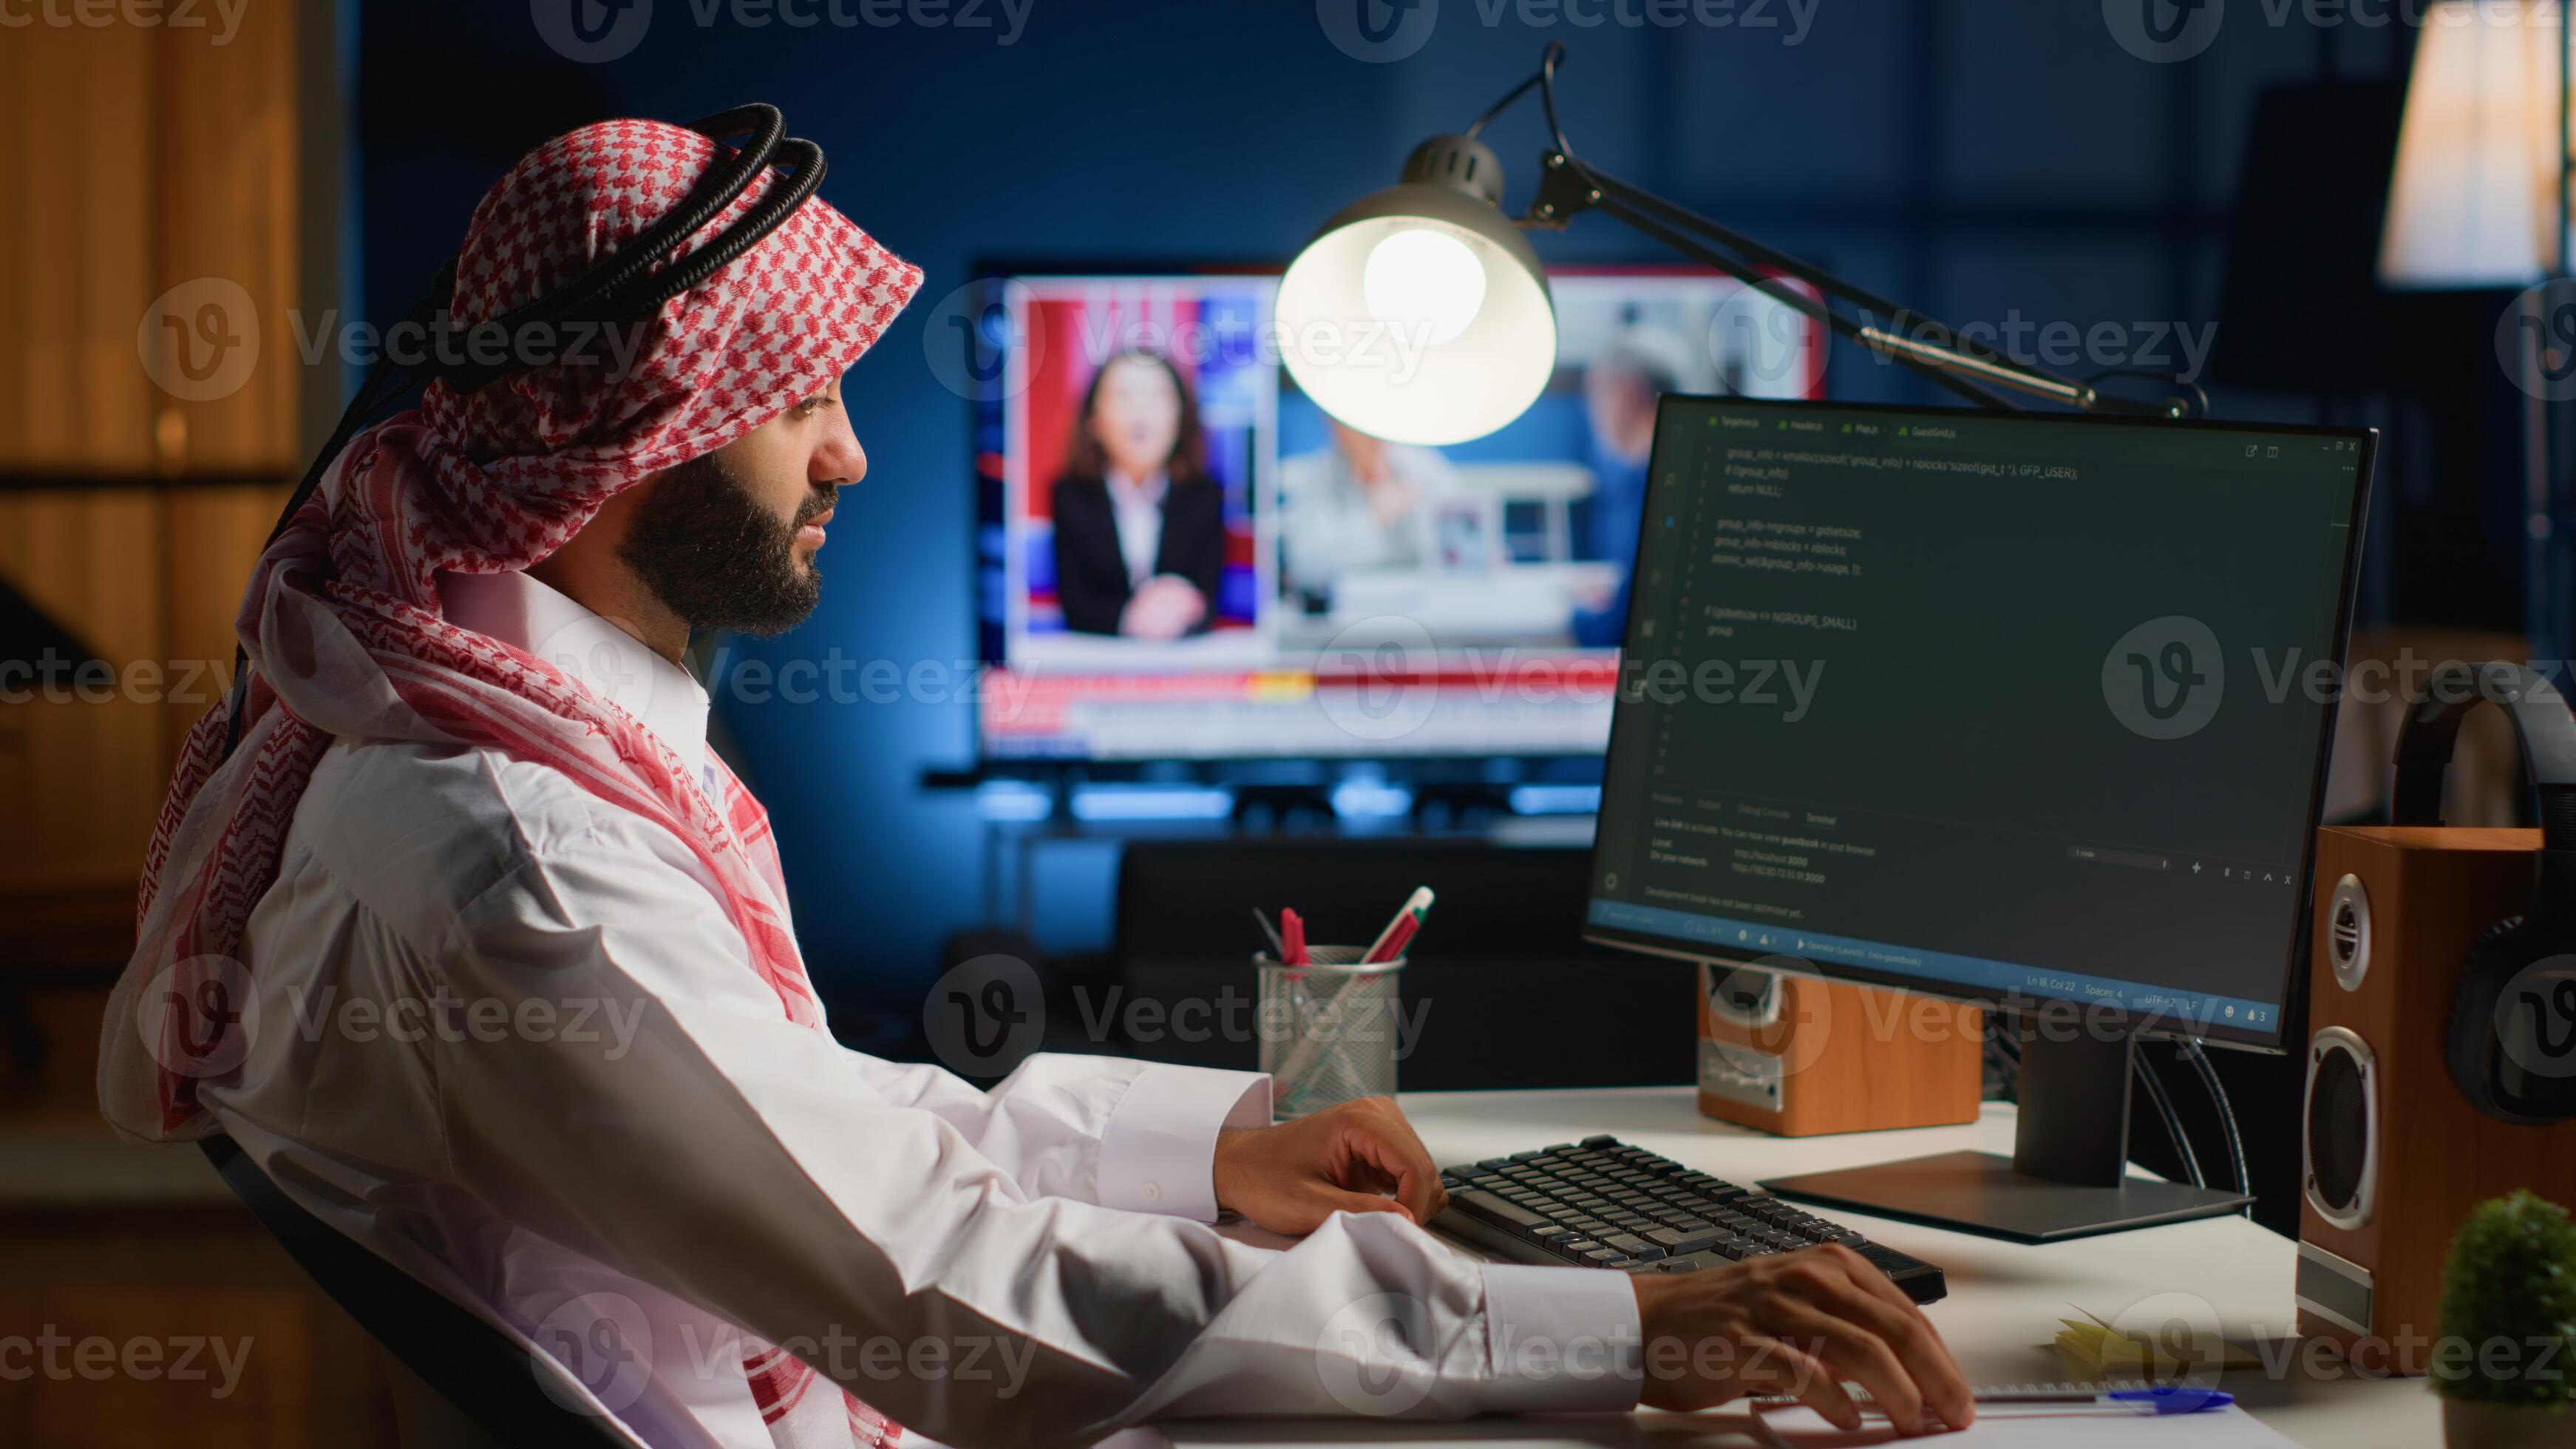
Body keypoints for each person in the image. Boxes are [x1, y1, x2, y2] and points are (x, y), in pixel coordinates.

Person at [98, 119, 1972, 1448]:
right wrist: (1615, 1324)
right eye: (790, 401)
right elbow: (938, 1305)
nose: (845, 454)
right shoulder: (518, 865)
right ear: (622, 438)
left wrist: (1201, 1152)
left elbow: (818, 1143)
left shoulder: (488, 727)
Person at [1047, 350, 1226, 639]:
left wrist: (1183, 610)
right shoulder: (1070, 496)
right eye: (1123, 396)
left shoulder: (1205, 496)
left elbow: (1209, 601)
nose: (1141, 412)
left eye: (1158, 396)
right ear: (1094, 421)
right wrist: (1133, 616)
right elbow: (1076, 606)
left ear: (1181, 417)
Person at [1572, 328, 1688, 648]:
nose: (1592, 414)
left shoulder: (1654, 489)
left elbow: (1616, 629)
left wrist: (1572, 614)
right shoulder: (1682, 472)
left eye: (1595, 395)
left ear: (1624, 394)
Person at [1277, 418, 1460, 603]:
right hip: (1345, 614)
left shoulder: (1424, 468)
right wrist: (1372, 519)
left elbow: (1455, 553)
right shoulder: (1316, 478)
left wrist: (1413, 511)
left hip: (1422, 608)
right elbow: (1306, 567)